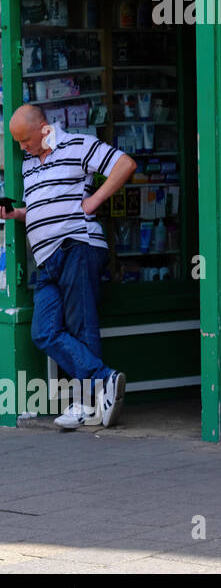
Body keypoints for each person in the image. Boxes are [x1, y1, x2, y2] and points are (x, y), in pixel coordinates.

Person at [1, 104, 136, 428]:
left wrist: (94, 200)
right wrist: (16, 214)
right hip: (47, 259)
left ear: (44, 128)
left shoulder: (77, 144)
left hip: (78, 245)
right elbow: (39, 207)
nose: (22, 148)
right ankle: (105, 378)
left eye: (25, 140)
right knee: (44, 331)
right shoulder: (31, 165)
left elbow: (125, 164)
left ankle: (87, 405)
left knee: (80, 326)